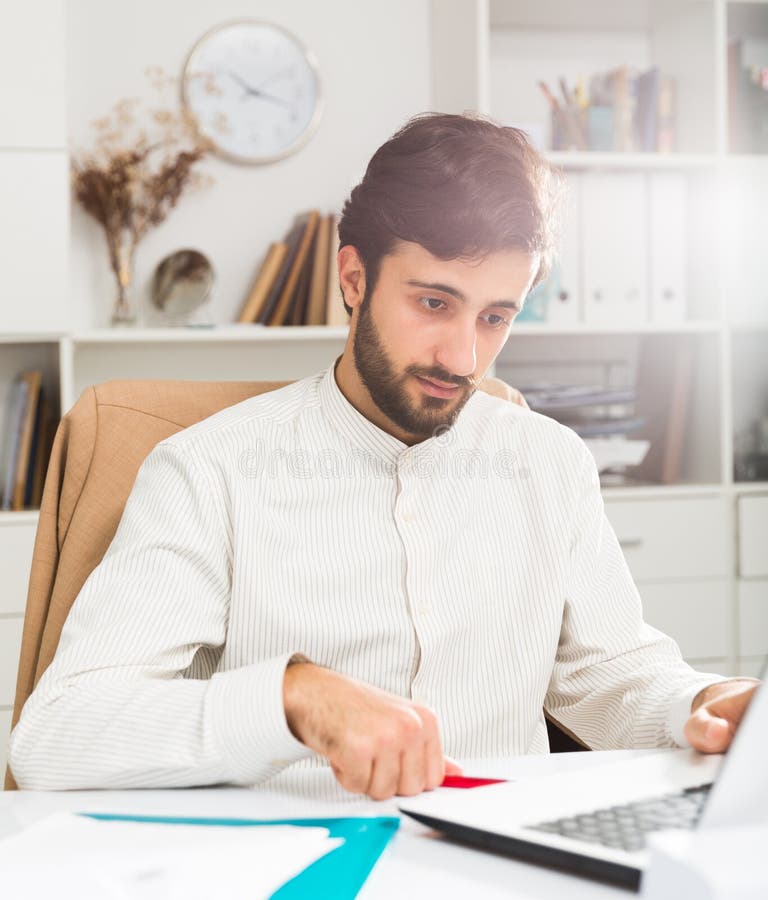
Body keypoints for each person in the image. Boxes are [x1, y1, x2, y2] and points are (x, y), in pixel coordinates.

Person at [9, 113, 758, 800]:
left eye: (495, 317)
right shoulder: (207, 470)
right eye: (434, 303)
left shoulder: (551, 460)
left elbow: (607, 673)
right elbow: (57, 737)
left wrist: (698, 704)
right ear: (354, 279)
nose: (463, 358)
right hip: (288, 860)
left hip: (507, 860)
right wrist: (292, 698)